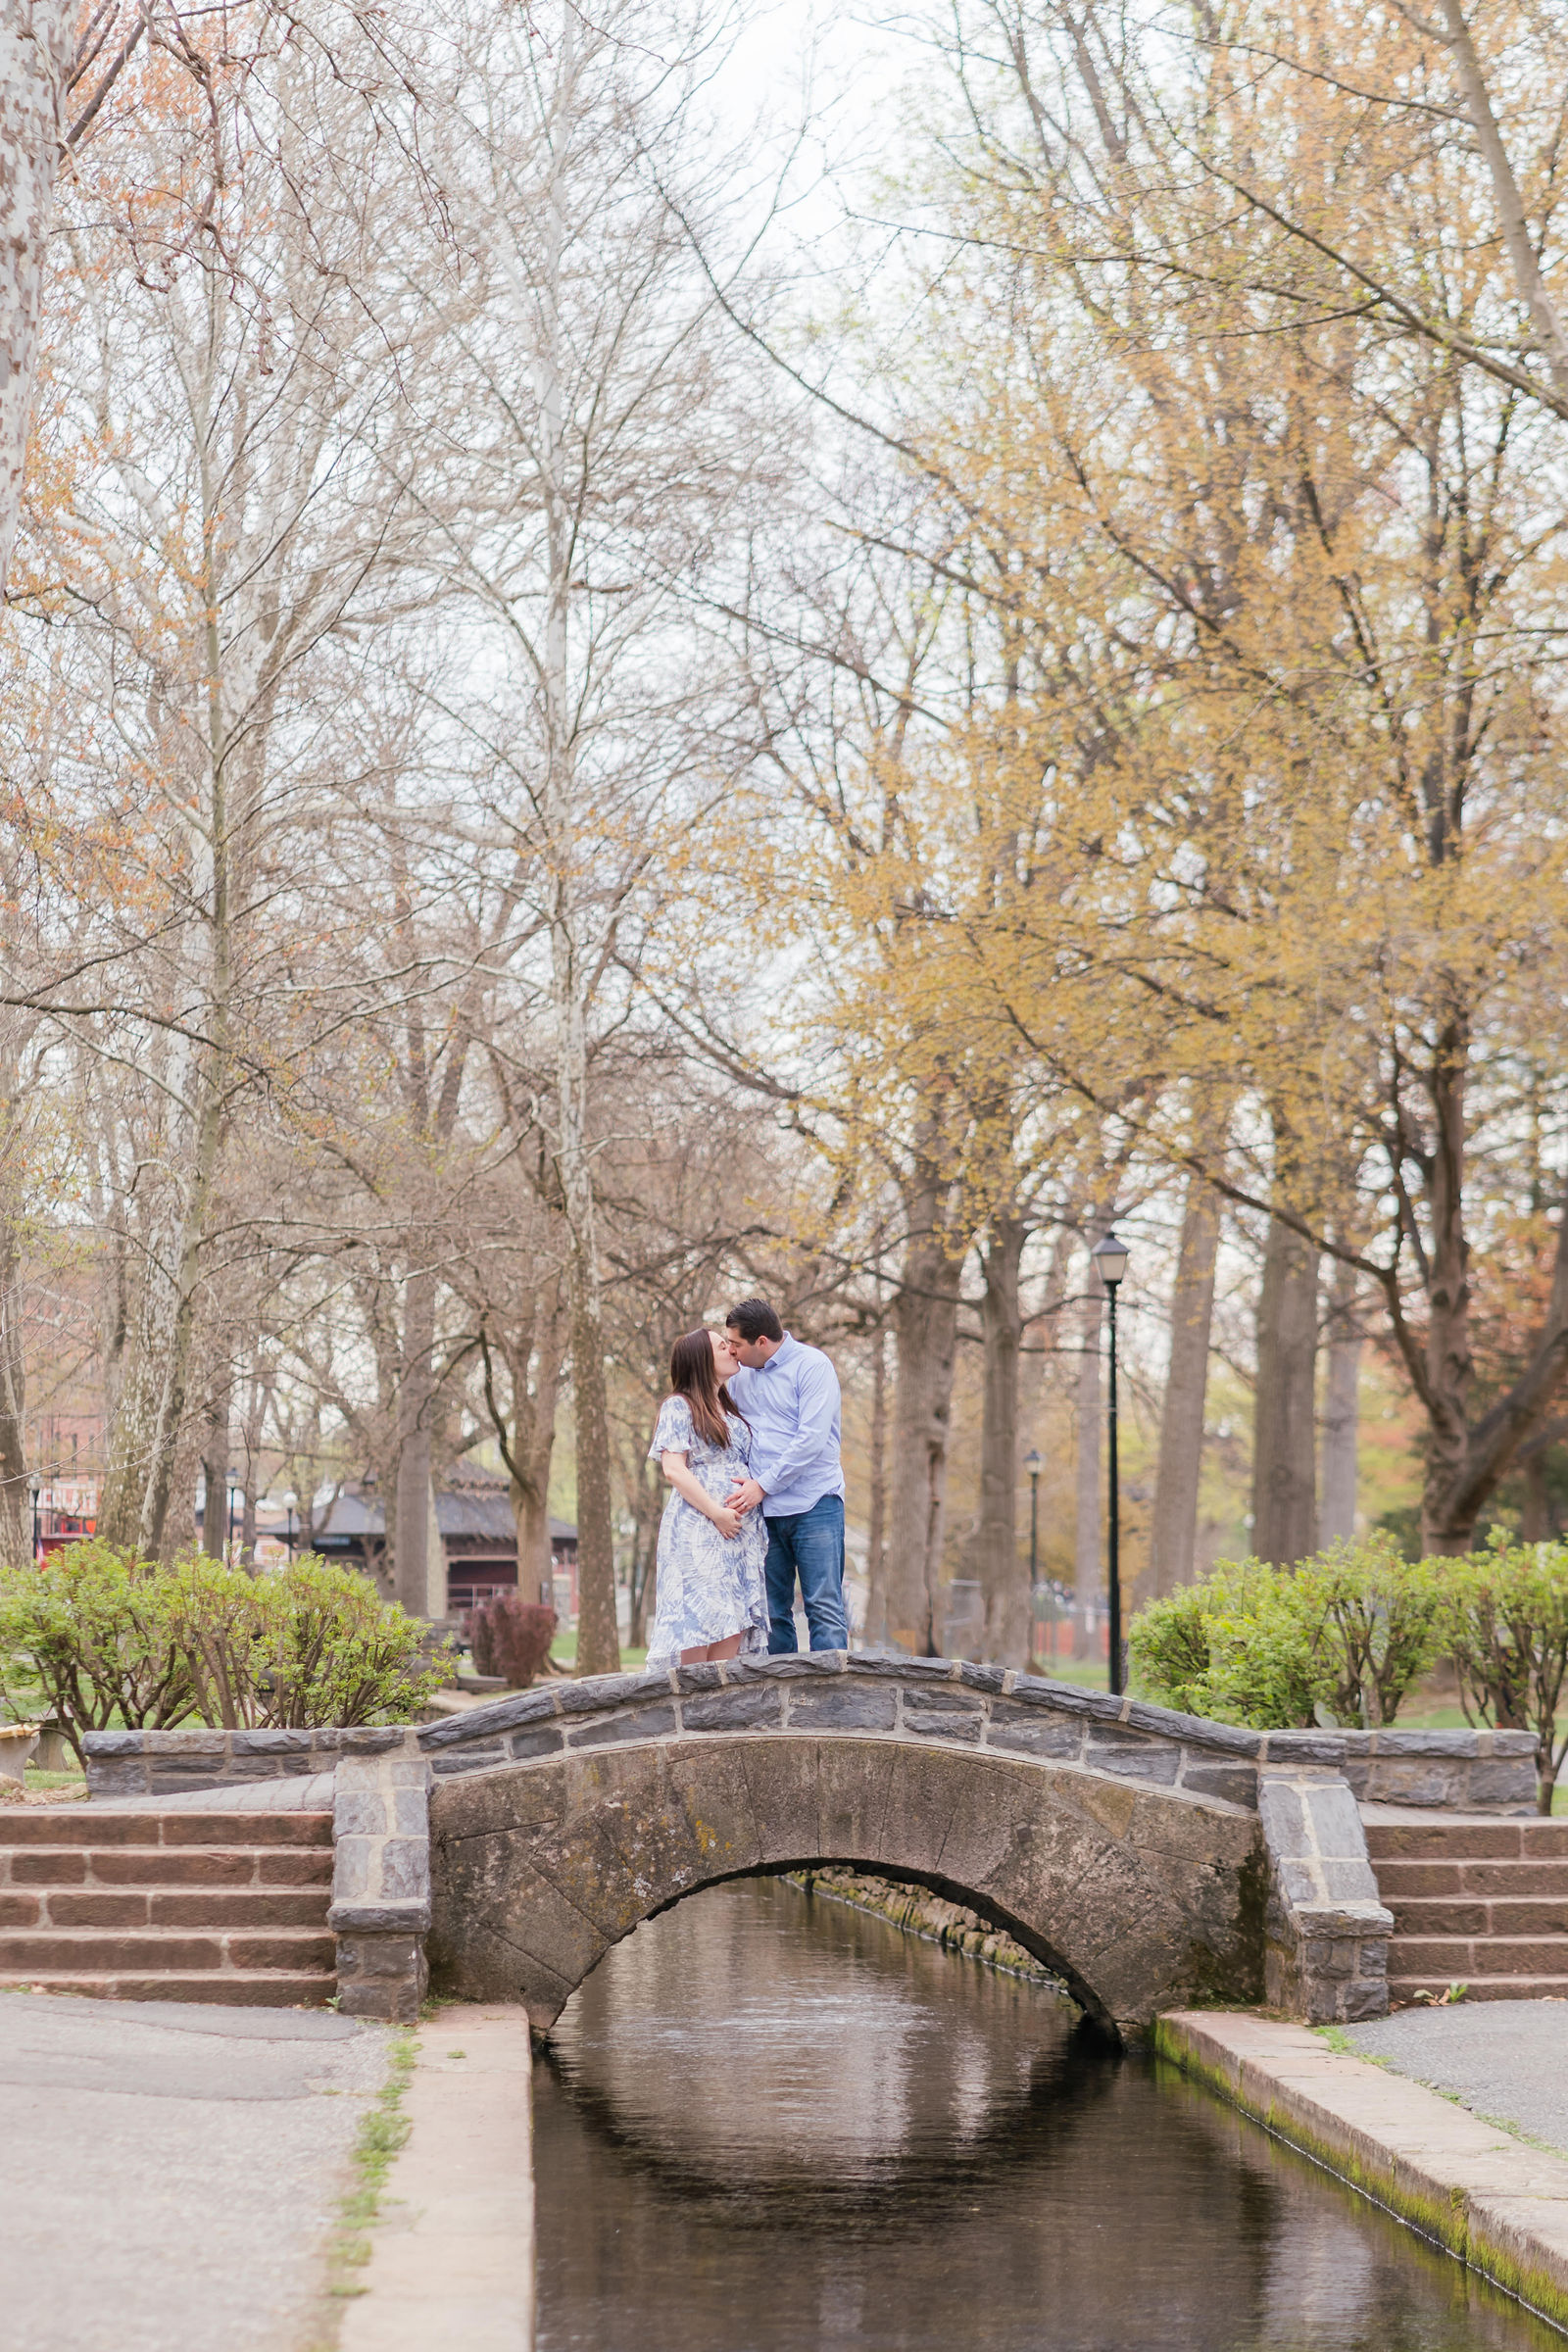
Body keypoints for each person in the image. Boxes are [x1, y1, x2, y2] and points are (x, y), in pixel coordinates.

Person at [722, 1298, 849, 1653]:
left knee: (823, 1607)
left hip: (814, 1505)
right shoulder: (739, 1376)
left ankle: (830, 1689)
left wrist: (763, 1485)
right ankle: (783, 1690)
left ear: (761, 1342)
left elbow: (811, 1440)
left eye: (736, 1344)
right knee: (772, 1613)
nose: (731, 1350)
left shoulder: (812, 1366)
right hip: (762, 1513)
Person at [644, 1327, 768, 1668]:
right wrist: (717, 1513)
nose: (732, 1350)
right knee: (699, 1623)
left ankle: (717, 1700)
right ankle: (692, 1700)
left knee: (733, 1622)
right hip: (701, 1529)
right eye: (722, 1346)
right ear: (701, 1359)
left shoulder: (730, 1407)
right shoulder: (678, 1406)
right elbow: (674, 1469)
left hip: (738, 1533)